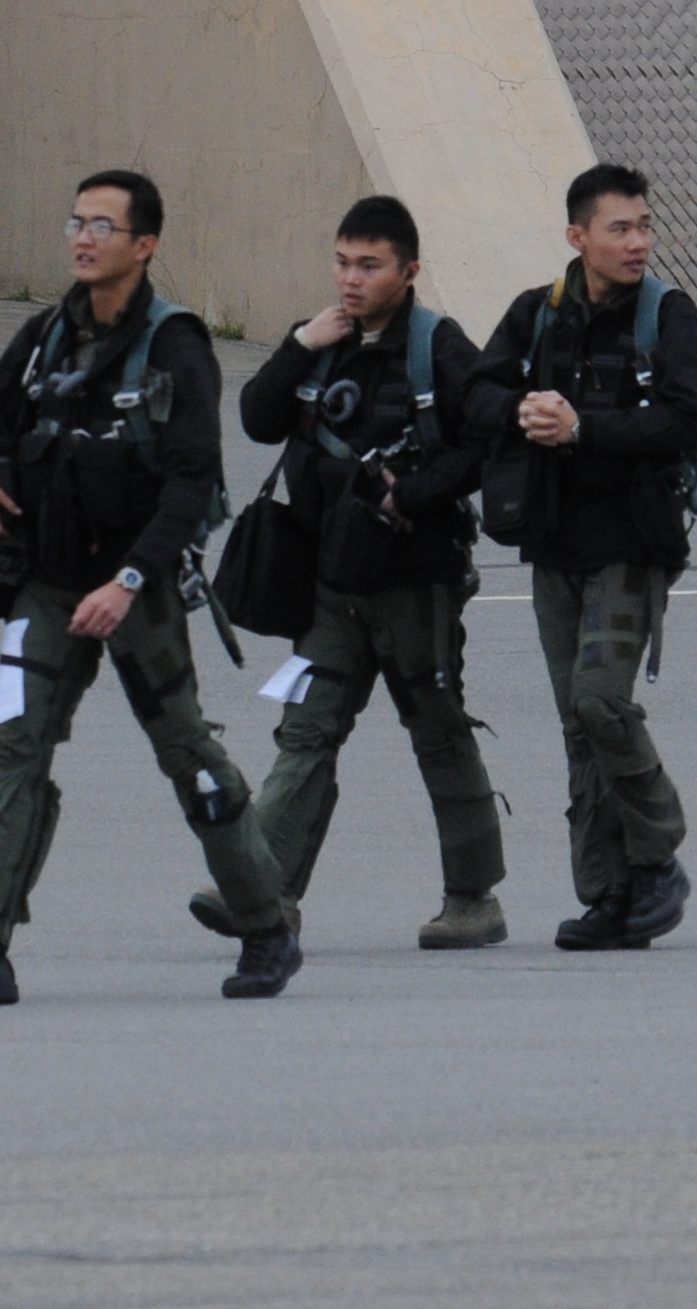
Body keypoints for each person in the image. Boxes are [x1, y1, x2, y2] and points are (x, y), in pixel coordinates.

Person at [0, 170, 301, 1005]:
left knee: (188, 755)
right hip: (46, 585)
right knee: (16, 750)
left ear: (145, 245)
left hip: (134, 589)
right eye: (76, 222)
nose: (83, 238)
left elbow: (191, 482)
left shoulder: (175, 345)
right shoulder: (45, 334)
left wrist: (128, 580)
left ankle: (266, 926)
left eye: (103, 226)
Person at [190, 194, 509, 951]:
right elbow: (258, 418)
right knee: (304, 732)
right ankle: (263, 895)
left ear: (409, 272)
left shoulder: (438, 348)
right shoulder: (321, 340)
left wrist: (416, 493)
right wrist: (300, 344)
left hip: (416, 585)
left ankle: (473, 899)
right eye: (342, 263)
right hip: (330, 589)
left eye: (369, 266)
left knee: (438, 733)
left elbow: (489, 438)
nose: (351, 279)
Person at [476, 164, 697, 952]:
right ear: (578, 237)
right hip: (555, 545)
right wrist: (524, 407)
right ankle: (610, 893)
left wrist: (584, 428)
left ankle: (658, 847)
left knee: (599, 702)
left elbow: (686, 419)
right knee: (577, 727)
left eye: (644, 226)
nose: (638, 242)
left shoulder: (669, 316)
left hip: (631, 545)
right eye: (621, 228)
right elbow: (476, 394)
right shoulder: (537, 313)